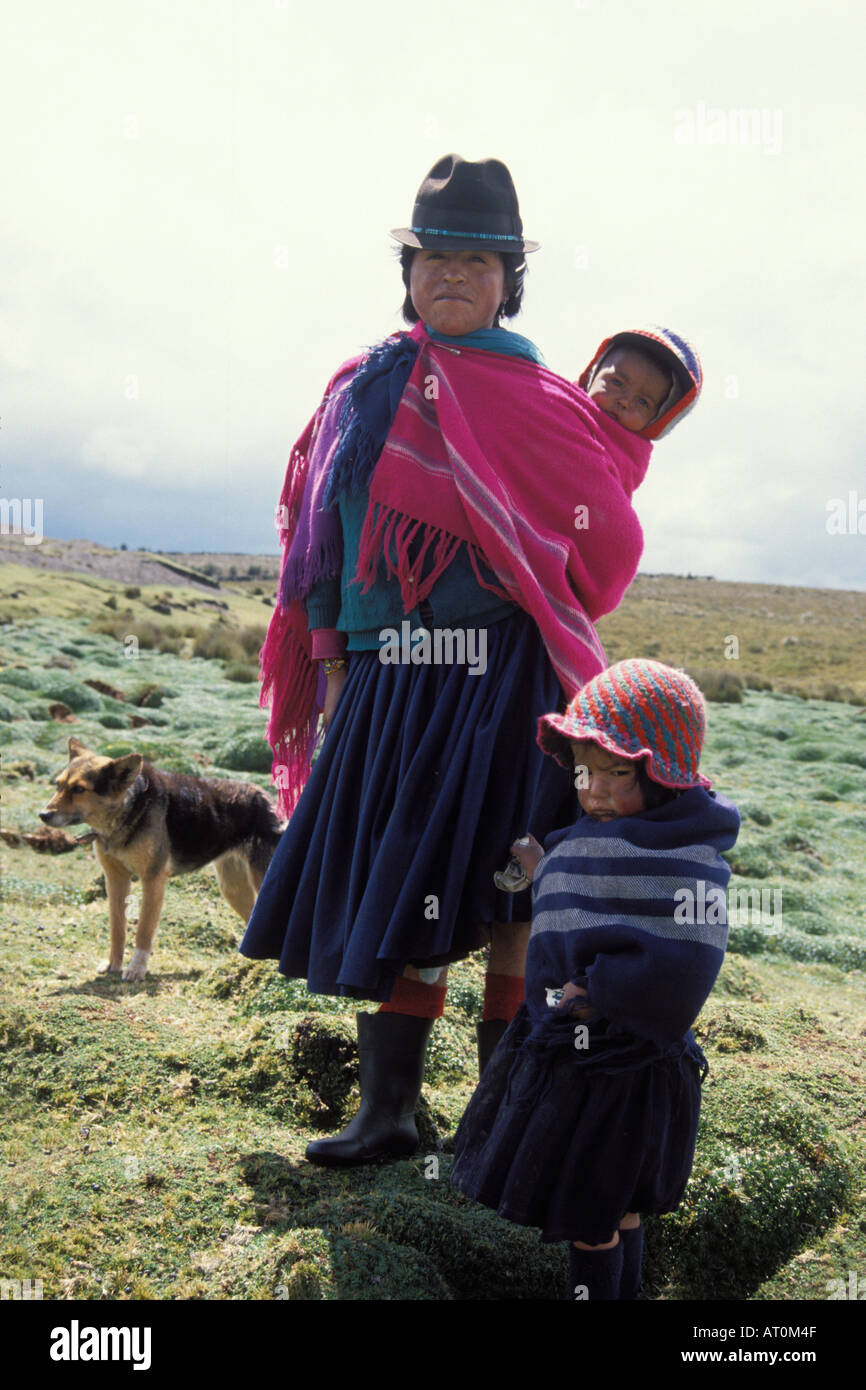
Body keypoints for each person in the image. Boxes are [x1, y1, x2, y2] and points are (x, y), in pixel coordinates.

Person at [239, 154, 685, 1167]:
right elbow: (321, 535)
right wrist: (336, 655)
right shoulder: (364, 389)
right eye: (433, 257)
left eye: (476, 261)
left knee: (508, 893)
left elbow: (603, 542)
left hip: (508, 678)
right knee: (405, 883)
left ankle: (496, 1120)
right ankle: (388, 1114)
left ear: (507, 282)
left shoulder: (540, 397)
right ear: (407, 273)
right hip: (392, 680)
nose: (451, 275)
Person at [449, 659, 740, 1301]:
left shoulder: (686, 858)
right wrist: (547, 865)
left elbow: (689, 960)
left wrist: (604, 989)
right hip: (571, 1054)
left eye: (619, 774)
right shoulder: (599, 835)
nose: (598, 791)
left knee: (594, 1209)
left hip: (622, 1064)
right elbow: (588, 896)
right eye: (585, 772)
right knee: (612, 1202)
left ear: (663, 776)